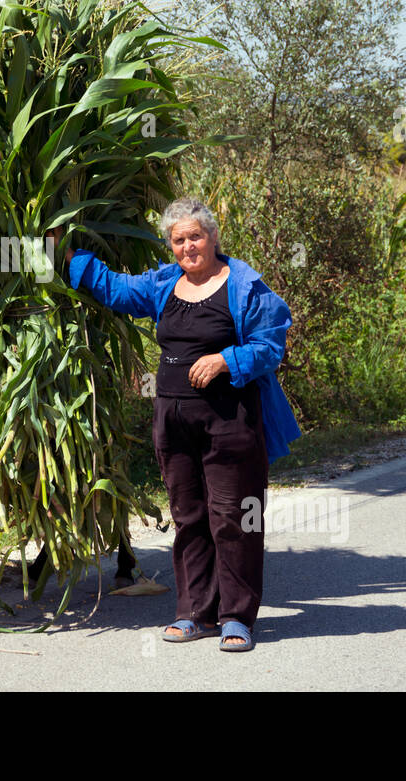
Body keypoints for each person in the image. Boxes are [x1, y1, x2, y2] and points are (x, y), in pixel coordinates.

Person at [65, 198, 301, 650]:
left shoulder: (245, 286)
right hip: (173, 425)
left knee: (234, 518)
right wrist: (66, 254)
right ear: (170, 245)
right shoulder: (164, 284)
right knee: (189, 518)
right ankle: (195, 613)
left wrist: (225, 359)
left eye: (196, 236)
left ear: (213, 237)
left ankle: (236, 618)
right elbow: (116, 290)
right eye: (179, 239)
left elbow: (271, 344)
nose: (188, 246)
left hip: (231, 422)